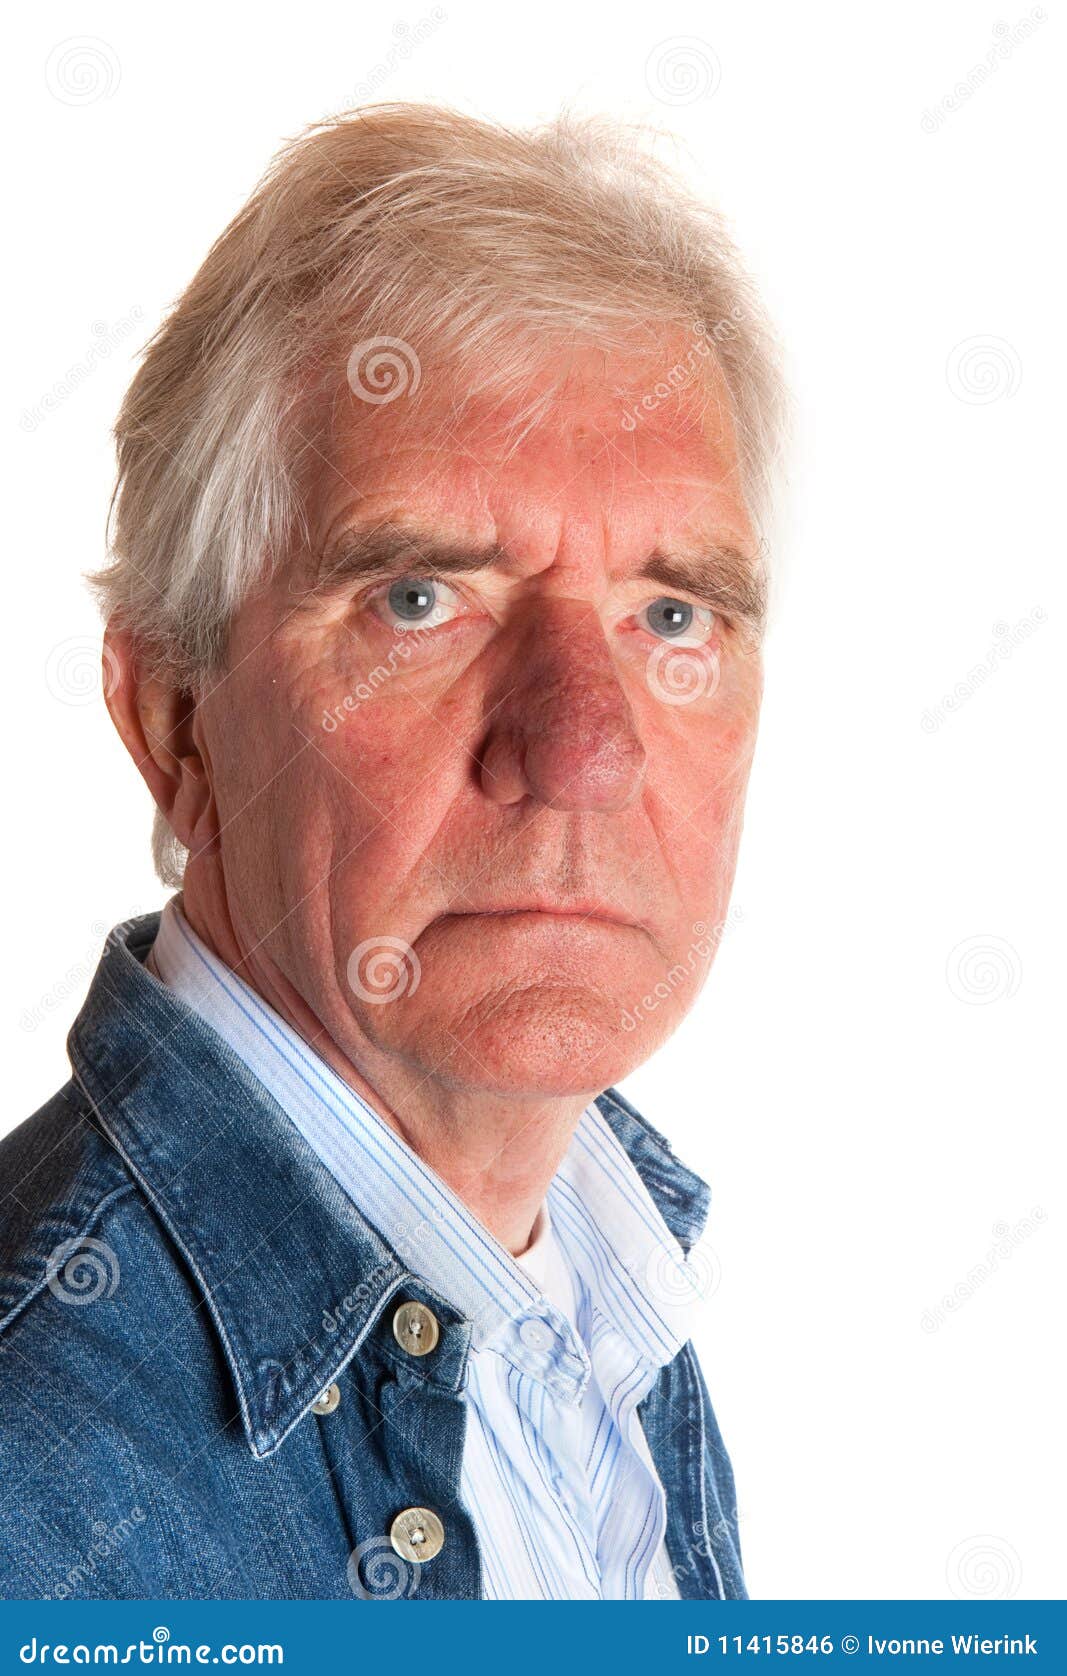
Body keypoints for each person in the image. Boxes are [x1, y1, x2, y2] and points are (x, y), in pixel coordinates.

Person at [0, 103, 784, 1600]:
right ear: (177, 719)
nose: (580, 748)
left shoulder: (599, 1288)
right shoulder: (38, 1479)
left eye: (671, 614)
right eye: (421, 598)